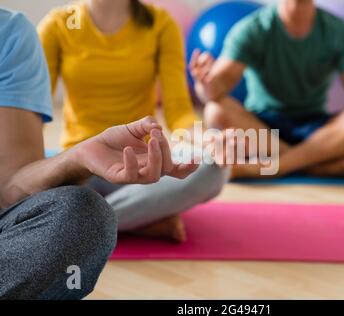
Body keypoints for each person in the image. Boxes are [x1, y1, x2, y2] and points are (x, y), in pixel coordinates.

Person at [0, 8, 197, 299]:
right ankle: (135, 222)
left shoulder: (11, 33)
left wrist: (78, 158)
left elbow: (10, 187)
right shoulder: (59, 24)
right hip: (78, 163)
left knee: (85, 216)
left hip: (115, 162)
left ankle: (119, 220)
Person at [38, 0, 229, 242]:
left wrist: (209, 138)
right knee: (30, 180)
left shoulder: (161, 24)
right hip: (82, 168)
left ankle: (90, 225)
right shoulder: (57, 25)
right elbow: (36, 112)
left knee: (214, 167)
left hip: (144, 168)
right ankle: (137, 220)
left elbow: (179, 112)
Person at [190, 0, 344, 179]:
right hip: (263, 127)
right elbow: (215, 90)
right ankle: (314, 165)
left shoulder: (340, 32)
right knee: (214, 110)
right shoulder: (251, 30)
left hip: (315, 128)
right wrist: (205, 83)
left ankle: (272, 166)